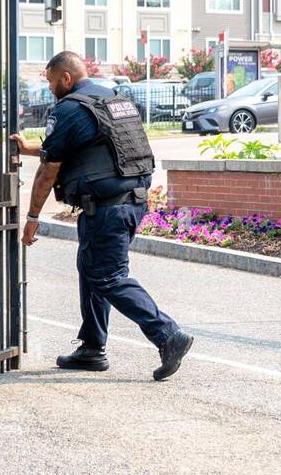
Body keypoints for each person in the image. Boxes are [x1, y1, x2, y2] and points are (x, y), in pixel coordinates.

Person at [11, 51, 194, 381]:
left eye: (52, 82)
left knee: (107, 276)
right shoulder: (111, 98)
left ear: (66, 78)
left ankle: (167, 334)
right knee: (92, 268)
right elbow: (80, 144)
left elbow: (48, 170)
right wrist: (30, 148)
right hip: (132, 201)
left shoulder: (69, 107)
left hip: (107, 207)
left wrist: (33, 217)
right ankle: (92, 349)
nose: (51, 88)